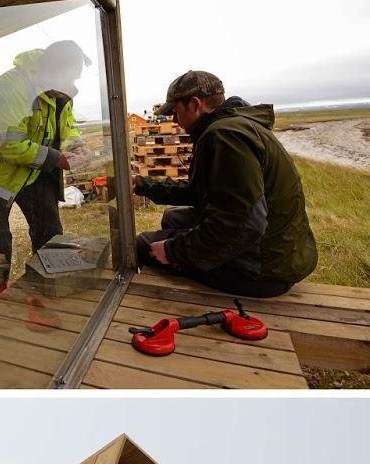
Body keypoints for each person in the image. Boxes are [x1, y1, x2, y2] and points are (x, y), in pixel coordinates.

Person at [135, 70, 317, 297]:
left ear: (194, 104)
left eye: (175, 111)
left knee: (144, 245)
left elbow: (243, 222)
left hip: (264, 269)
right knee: (173, 217)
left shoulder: (224, 135)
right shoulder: (235, 126)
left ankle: (158, 301)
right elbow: (200, 191)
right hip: (280, 250)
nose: (174, 120)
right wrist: (141, 185)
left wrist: (174, 251)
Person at [0, 40, 89, 309]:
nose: (70, 85)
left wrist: (75, 145)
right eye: (67, 78)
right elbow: (7, 144)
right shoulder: (10, 88)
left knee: (50, 230)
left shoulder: (60, 92)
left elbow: (67, 127)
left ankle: (46, 287)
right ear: (48, 70)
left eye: (74, 78)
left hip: (33, 170)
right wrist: (57, 158)